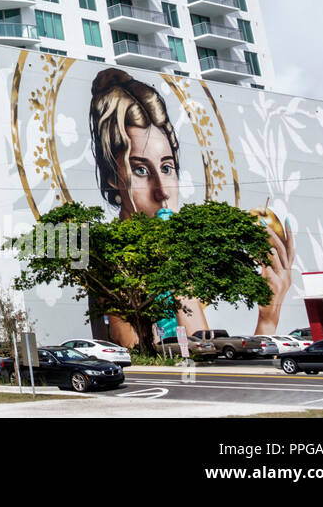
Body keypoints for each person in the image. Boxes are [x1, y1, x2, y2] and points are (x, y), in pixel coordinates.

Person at [88, 68, 293, 345]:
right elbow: (136, 353)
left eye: (167, 167)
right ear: (114, 177)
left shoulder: (184, 257)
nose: (161, 192)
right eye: (140, 170)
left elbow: (205, 355)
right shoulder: (110, 263)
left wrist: (268, 318)